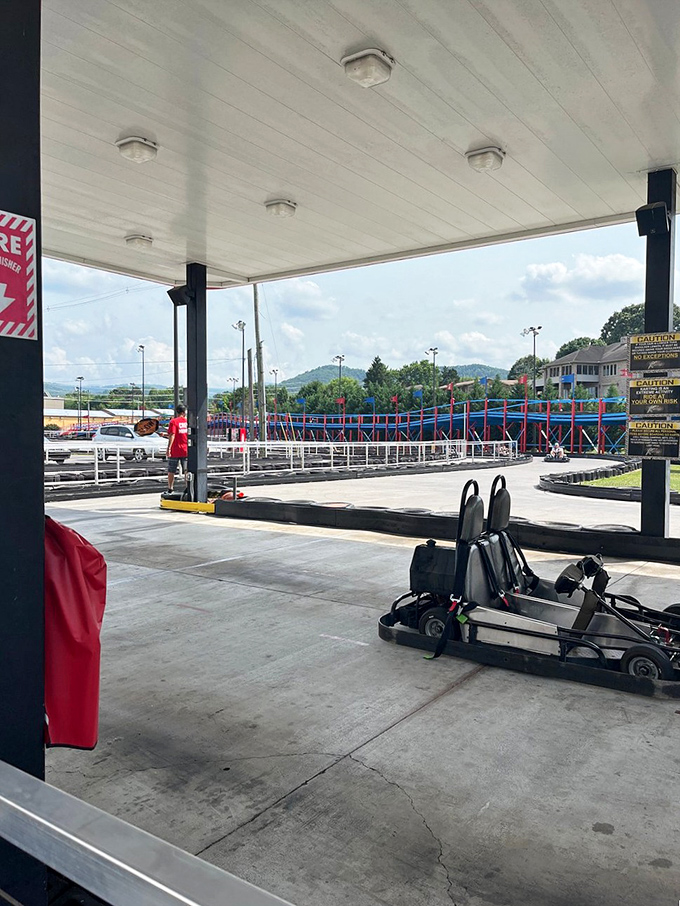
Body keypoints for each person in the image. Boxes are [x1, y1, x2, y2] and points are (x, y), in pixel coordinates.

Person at [164, 404, 188, 495]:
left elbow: (172, 435)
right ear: (184, 412)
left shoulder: (173, 422)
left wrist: (168, 448)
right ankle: (188, 488)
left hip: (175, 450)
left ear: (177, 412)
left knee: (171, 470)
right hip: (185, 450)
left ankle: (170, 488)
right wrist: (166, 435)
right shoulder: (187, 422)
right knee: (186, 470)